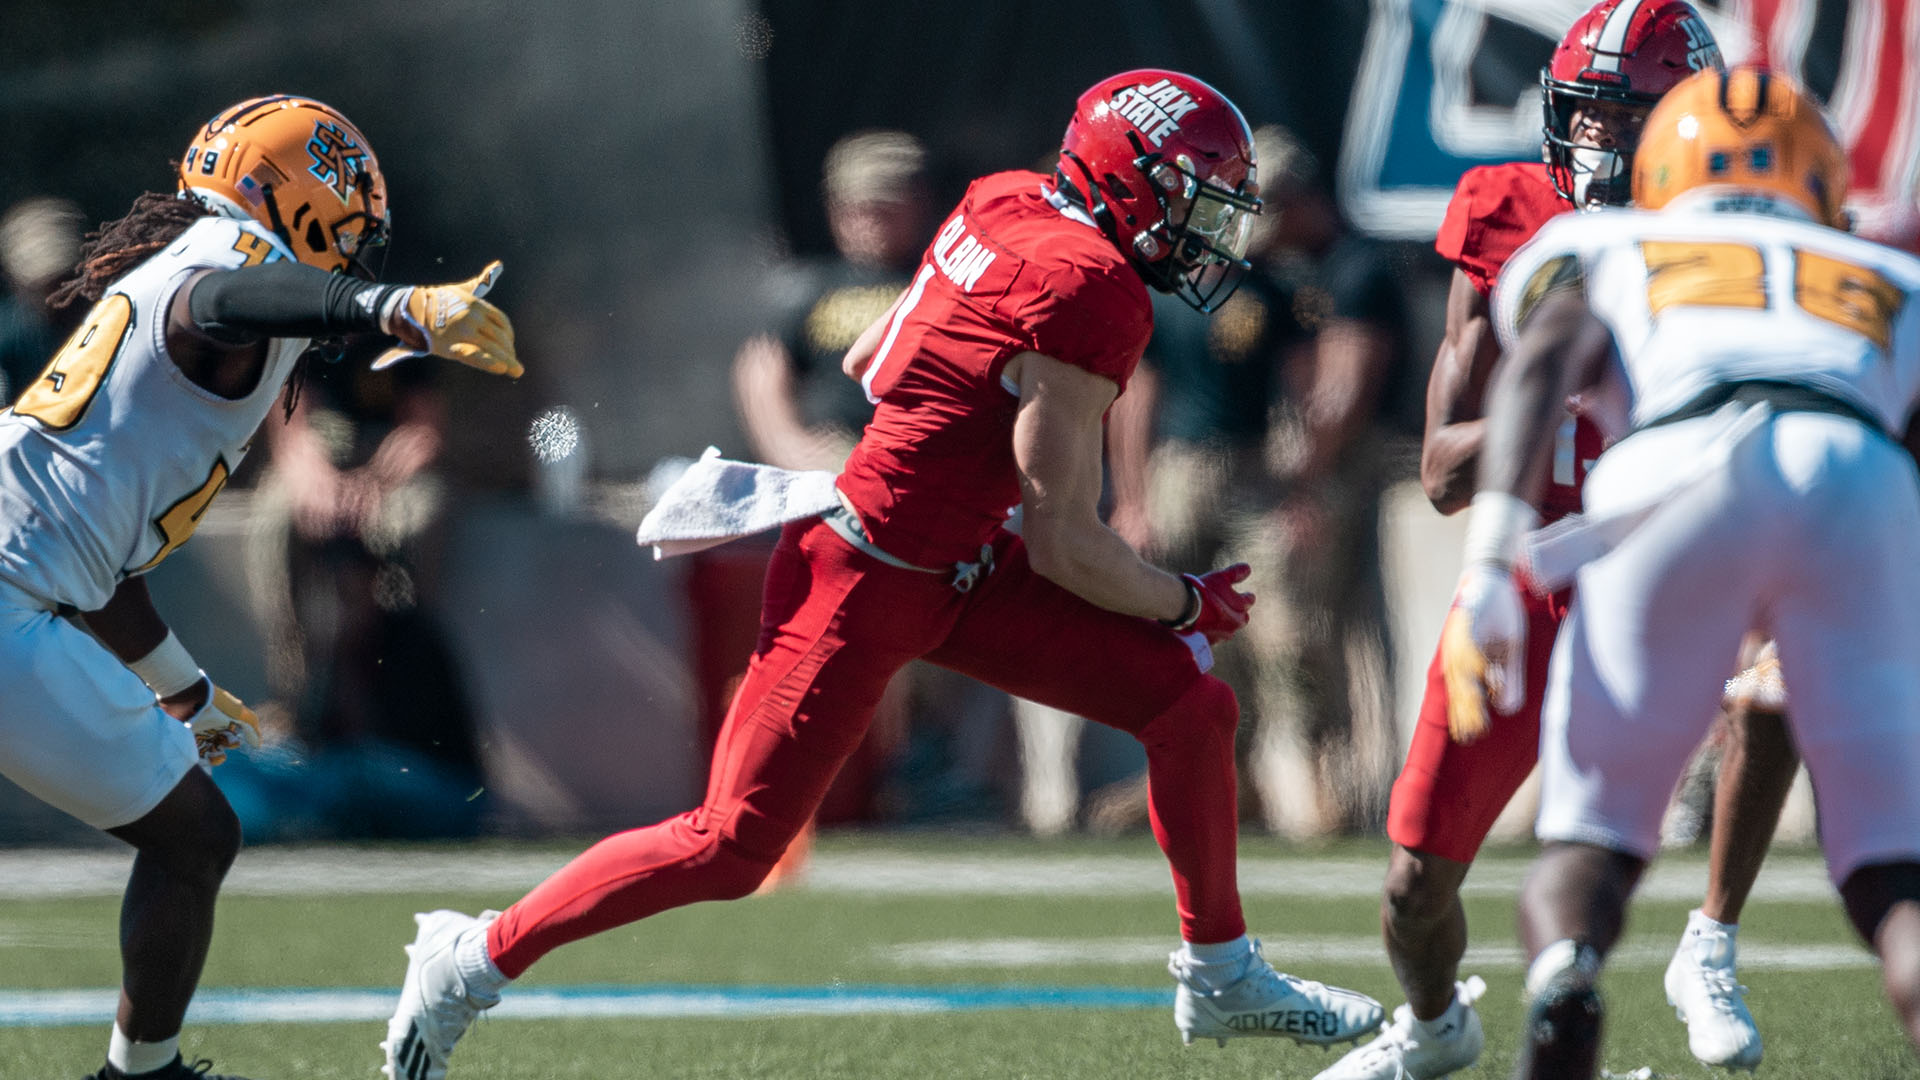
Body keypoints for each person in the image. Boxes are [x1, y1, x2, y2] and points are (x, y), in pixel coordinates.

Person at [382, 69, 1385, 1080]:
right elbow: (1066, 544)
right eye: (1188, 200)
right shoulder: (1090, 287)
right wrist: (1183, 600)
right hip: (868, 575)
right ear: (1128, 181)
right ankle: (469, 957)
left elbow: (871, 356)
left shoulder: (1007, 197)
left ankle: (1219, 972)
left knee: (1190, 708)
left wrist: (951, 446)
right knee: (728, 845)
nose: (1203, 231)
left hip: (949, 559)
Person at [1315, 4, 1795, 1078]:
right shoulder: (1509, 215)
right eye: (1586, 117)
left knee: (1780, 679)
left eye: (1628, 123)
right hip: (1531, 575)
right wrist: (1577, 398)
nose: (1598, 148)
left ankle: (1708, 946)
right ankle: (1437, 1028)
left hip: (1676, 566)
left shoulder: (1742, 227)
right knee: (1413, 885)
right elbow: (1441, 469)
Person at [0, 94, 519, 1080]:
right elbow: (229, 300)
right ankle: (138, 1077)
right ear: (304, 203)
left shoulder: (201, 281)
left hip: (23, 584)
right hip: (7, 597)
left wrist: (186, 690)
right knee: (195, 836)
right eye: (353, 230)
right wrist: (392, 305)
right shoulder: (222, 271)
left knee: (196, 832)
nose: (358, 254)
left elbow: (98, 564)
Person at [1445, 64, 1920, 1077]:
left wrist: (1491, 557)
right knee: (1894, 873)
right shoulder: (1886, 270)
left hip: (1673, 466)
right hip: (1856, 470)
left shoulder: (1605, 239)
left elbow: (1543, 361)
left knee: (1591, 843)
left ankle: (1567, 968)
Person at [0, 196, 85, 404]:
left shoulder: (110, 316)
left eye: (65, 279)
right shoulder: (8, 339)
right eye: (44, 285)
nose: (56, 293)